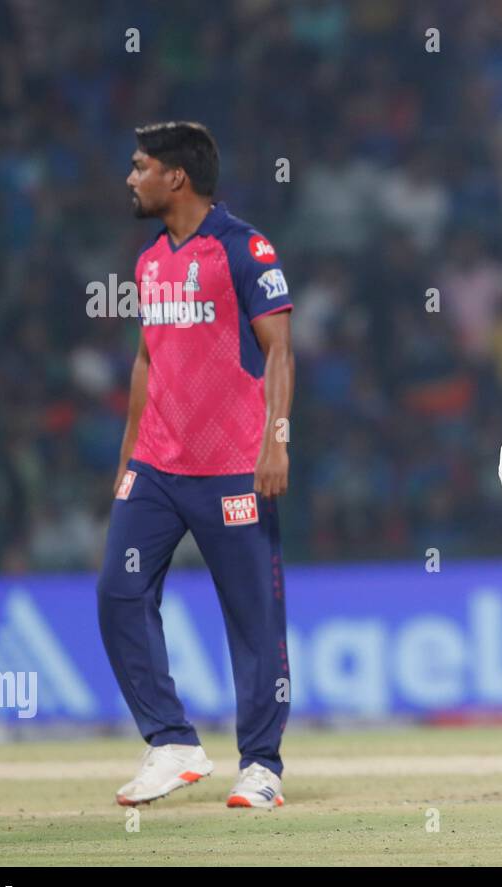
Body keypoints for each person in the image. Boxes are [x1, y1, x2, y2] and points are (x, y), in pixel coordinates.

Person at [98, 121, 295, 809]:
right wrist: (127, 459)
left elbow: (279, 351)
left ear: (174, 177)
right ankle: (172, 743)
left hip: (234, 466)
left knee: (253, 617)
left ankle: (261, 766)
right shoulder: (150, 261)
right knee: (117, 593)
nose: (130, 178)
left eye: (140, 166)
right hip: (156, 465)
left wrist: (278, 438)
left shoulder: (243, 248)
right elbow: (148, 360)